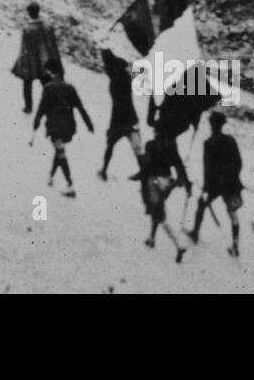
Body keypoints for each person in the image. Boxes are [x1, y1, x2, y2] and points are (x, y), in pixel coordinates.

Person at [32, 60, 94, 198]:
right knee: (59, 151)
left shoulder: (48, 88)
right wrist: (88, 123)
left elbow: (41, 108)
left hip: (54, 126)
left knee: (60, 153)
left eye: (48, 72)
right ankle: (51, 176)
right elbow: (80, 107)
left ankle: (70, 185)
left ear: (52, 72)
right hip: (68, 127)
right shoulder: (70, 88)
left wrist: (36, 122)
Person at [186, 111, 244, 257]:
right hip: (231, 183)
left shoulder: (208, 143)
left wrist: (206, 189)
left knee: (201, 204)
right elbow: (238, 163)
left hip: (215, 185)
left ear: (212, 125)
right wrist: (234, 178)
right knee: (233, 213)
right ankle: (235, 244)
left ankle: (195, 233)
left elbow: (208, 169)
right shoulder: (231, 140)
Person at [131, 126, 190, 262]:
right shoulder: (170, 146)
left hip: (155, 182)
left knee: (159, 214)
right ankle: (151, 238)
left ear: (156, 132)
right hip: (168, 182)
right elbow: (178, 164)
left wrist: (137, 177)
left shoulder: (151, 145)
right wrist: (182, 182)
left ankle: (178, 246)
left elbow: (146, 166)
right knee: (157, 210)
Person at [97, 49, 143, 179]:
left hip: (118, 119)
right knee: (137, 149)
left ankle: (104, 171)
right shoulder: (125, 78)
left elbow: (118, 105)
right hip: (131, 118)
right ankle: (144, 172)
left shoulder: (115, 79)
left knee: (110, 144)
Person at [13, 2, 60, 113]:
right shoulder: (47, 26)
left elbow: (24, 47)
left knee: (27, 84)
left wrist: (21, 63)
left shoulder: (27, 28)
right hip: (44, 60)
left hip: (30, 61)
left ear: (29, 13)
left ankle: (28, 107)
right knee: (46, 83)